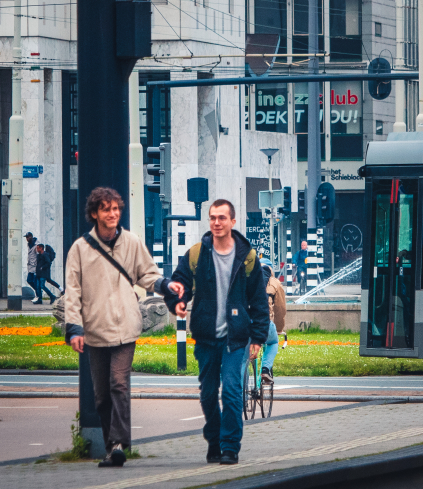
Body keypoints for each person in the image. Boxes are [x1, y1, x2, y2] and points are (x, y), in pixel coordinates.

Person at [65, 187, 180, 468]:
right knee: (101, 395)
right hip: (94, 330)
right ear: (95, 214)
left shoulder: (131, 242)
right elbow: (73, 292)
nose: (113, 214)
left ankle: (118, 445)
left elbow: (148, 275)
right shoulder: (79, 249)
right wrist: (74, 329)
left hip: (126, 326)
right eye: (106, 209)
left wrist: (166, 286)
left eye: (116, 209)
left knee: (119, 384)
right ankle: (110, 446)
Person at [165, 199, 268, 466]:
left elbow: (258, 300)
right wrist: (177, 300)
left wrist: (258, 337)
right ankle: (214, 439)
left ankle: (230, 447)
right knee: (209, 393)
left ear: (233, 222)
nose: (216, 223)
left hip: (236, 337)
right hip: (206, 336)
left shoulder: (247, 257)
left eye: (222, 218)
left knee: (232, 390)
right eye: (212, 218)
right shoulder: (198, 253)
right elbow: (180, 283)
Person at [259, 258, 287, 385]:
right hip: (264, 323)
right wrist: (279, 329)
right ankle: (265, 369)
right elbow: (280, 309)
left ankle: (239, 391)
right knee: (273, 342)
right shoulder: (275, 282)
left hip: (244, 323)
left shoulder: (244, 279)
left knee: (243, 355)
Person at [25, 232, 39, 302]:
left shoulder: (36, 245)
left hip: (35, 266)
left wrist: (38, 265)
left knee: (35, 281)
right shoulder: (29, 244)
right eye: (26, 237)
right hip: (30, 266)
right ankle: (38, 291)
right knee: (29, 280)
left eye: (28, 237)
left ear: (31, 237)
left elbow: (38, 255)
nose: (27, 239)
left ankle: (38, 295)